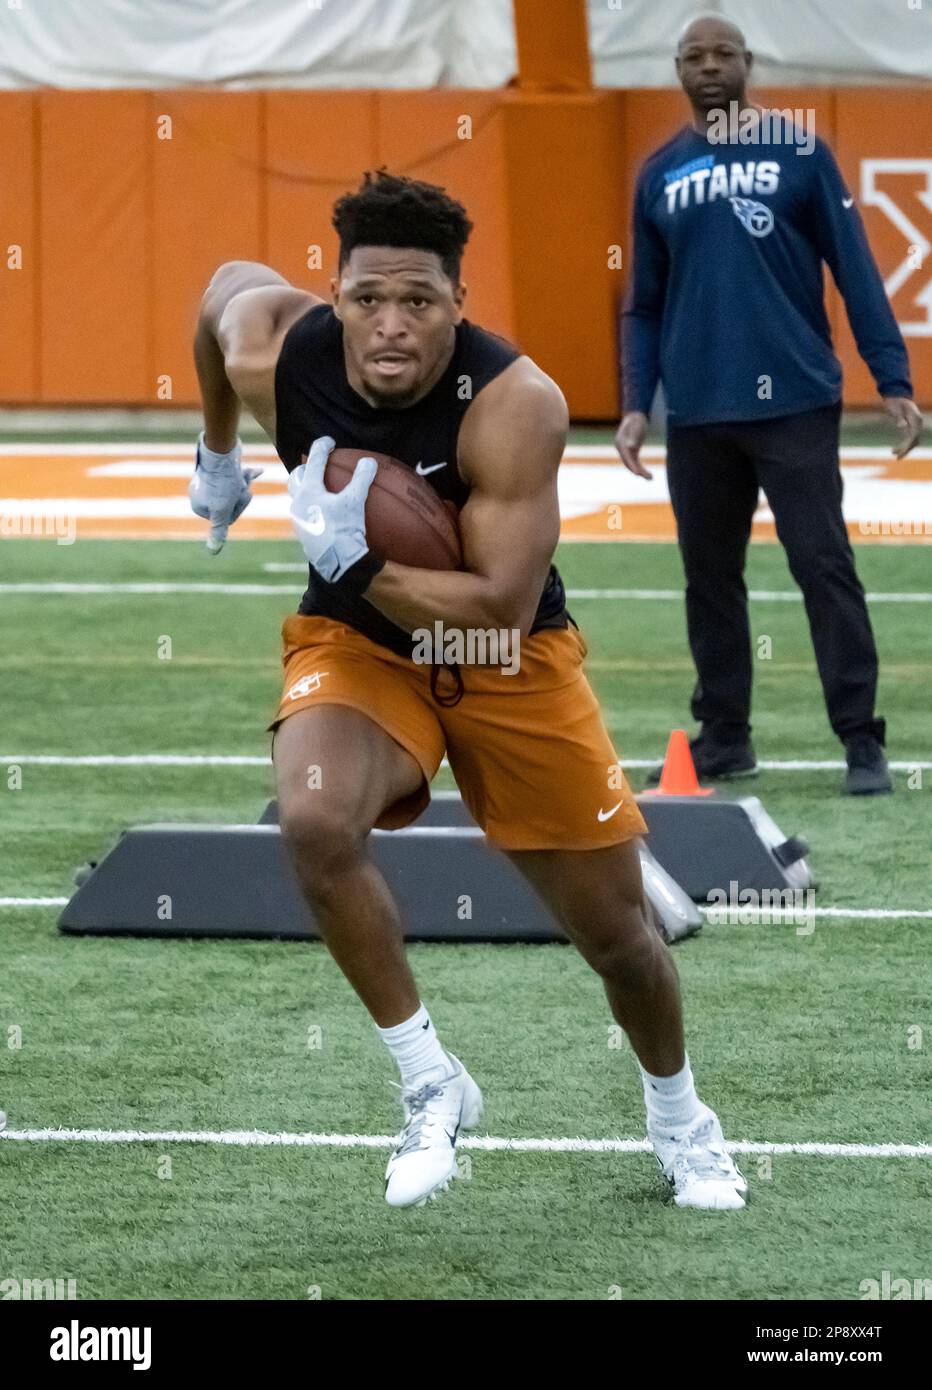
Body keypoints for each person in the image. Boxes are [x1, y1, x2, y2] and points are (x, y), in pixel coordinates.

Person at [189, 170, 746, 1211]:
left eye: (419, 303)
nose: (390, 326)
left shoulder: (515, 404)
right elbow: (218, 293)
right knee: (313, 819)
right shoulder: (277, 343)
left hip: (505, 658)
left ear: (459, 302)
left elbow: (492, 605)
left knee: (618, 939)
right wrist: (217, 448)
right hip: (358, 645)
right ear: (334, 295)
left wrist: (358, 562)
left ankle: (680, 1118)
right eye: (367, 301)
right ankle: (429, 1080)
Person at [616, 13, 923, 795]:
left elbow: (855, 268)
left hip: (795, 402)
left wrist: (893, 380)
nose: (709, 65)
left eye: (723, 53)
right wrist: (635, 403)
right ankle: (725, 736)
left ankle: (861, 739)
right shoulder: (659, 173)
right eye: (694, 55)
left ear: (748, 64)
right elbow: (643, 305)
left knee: (823, 565)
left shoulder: (801, 153)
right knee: (708, 576)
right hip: (701, 410)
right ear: (678, 70)